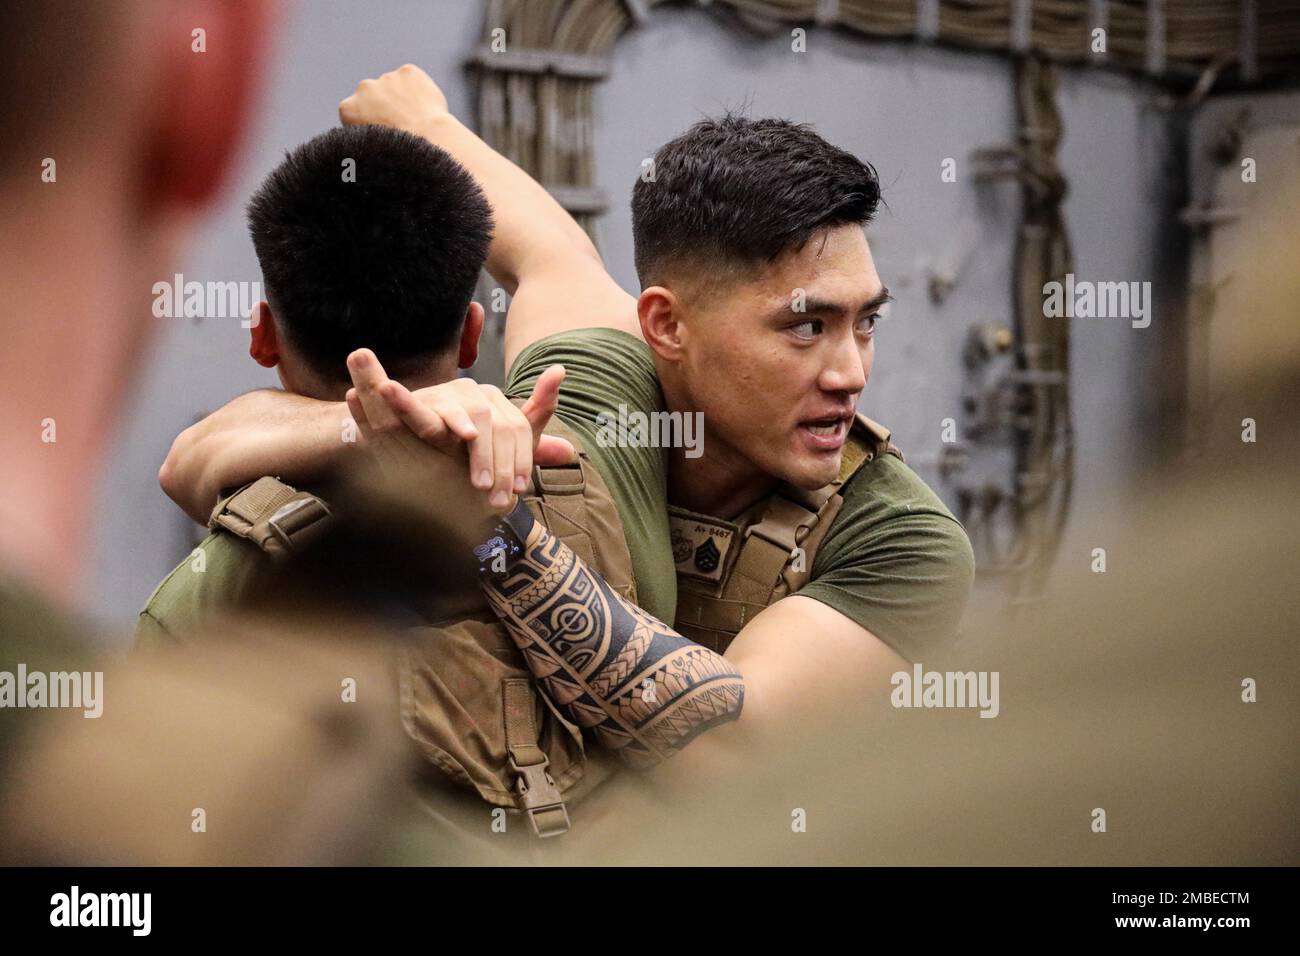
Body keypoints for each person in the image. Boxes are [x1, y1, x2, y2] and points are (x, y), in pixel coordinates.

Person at [165, 65, 976, 804]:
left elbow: (733, 752)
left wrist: (495, 523)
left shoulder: (897, 536)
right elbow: (197, 459)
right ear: (664, 326)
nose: (851, 372)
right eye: (807, 329)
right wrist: (420, 419)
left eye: (865, 322)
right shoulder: (596, 383)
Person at [135, 122, 744, 841]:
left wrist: (361, 424)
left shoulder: (219, 588)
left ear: (264, 335)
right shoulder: (600, 436)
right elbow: (557, 255)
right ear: (472, 333)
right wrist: (423, 111)